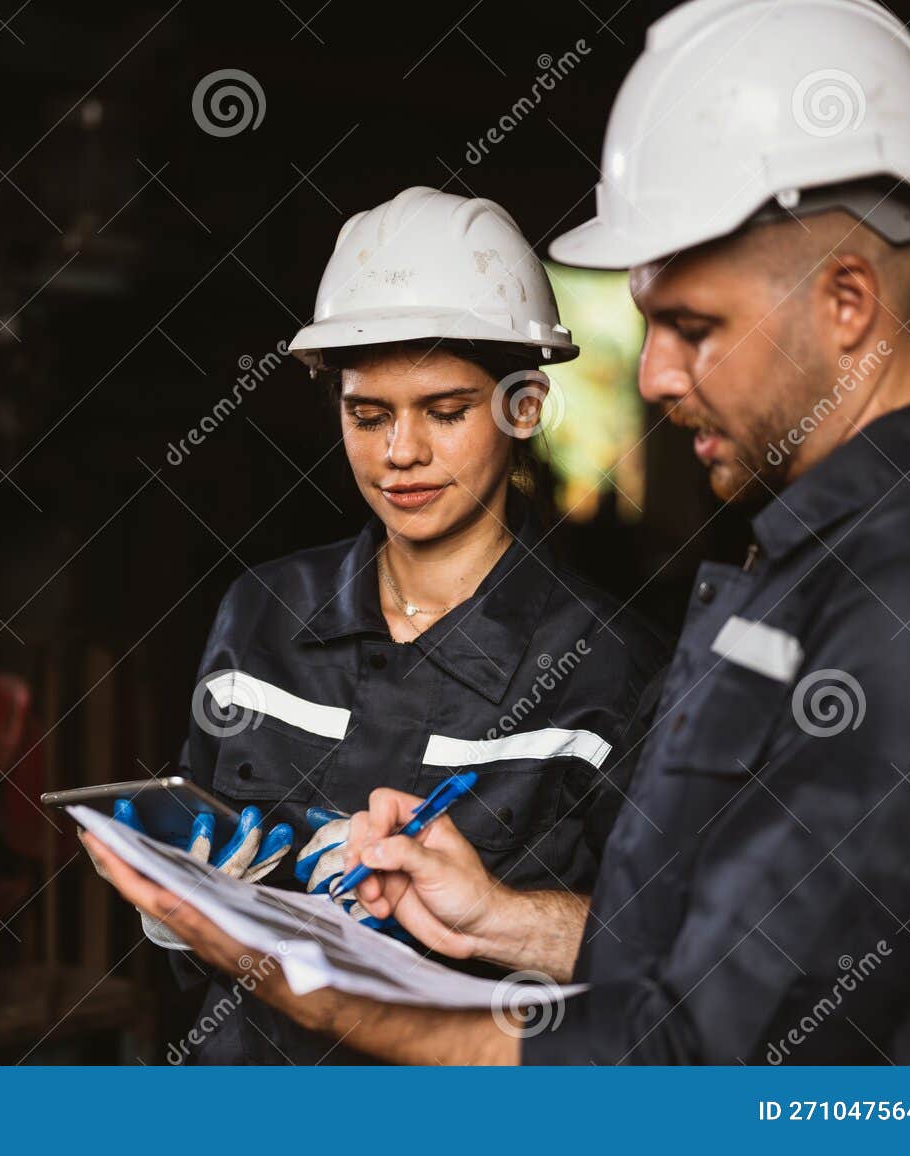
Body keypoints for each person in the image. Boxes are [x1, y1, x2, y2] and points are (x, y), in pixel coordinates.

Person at [82, 0, 910, 1065]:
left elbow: (698, 1057)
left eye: (692, 328)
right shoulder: (871, 546)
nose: (652, 377)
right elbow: (715, 958)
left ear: (847, 300)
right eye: (366, 412)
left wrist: (350, 1007)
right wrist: (495, 916)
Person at [115, 185, 670, 1064]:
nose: (399, 452)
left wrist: (499, 915)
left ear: (523, 407)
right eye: (366, 415)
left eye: (445, 412)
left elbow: (671, 967)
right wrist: (179, 902)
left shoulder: (612, 671)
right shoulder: (260, 615)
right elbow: (196, 852)